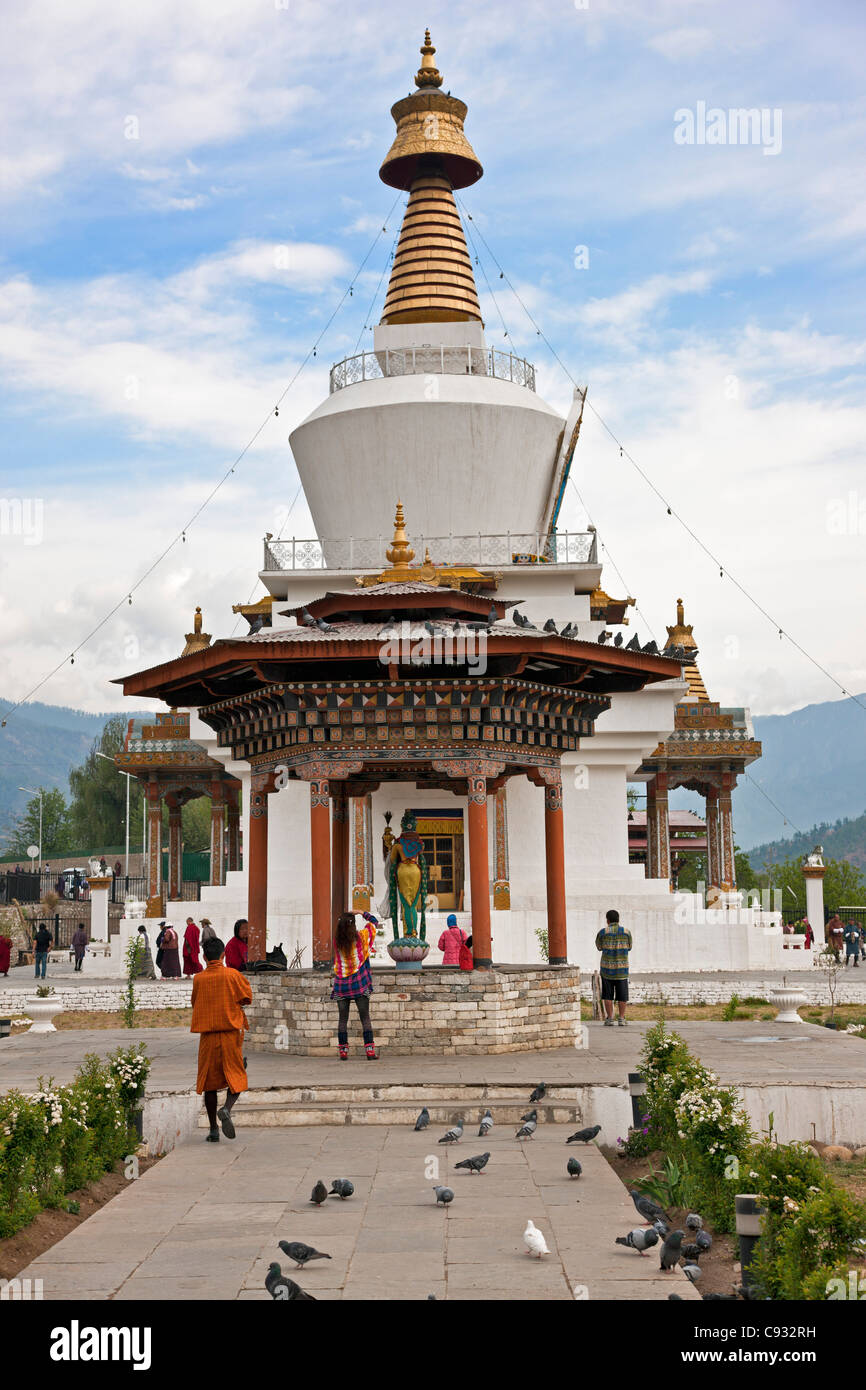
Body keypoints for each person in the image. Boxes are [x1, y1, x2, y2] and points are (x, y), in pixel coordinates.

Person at [190, 935, 252, 1142]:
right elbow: (247, 998)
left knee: (210, 1084)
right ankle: (226, 1109)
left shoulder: (198, 978)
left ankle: (213, 1130)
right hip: (230, 1035)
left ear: (205, 957)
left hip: (207, 1037)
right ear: (223, 955)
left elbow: (195, 1002)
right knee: (237, 1076)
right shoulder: (233, 975)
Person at [331, 910, 378, 1060]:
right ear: (353, 925)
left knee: (342, 1019)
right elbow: (374, 923)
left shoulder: (336, 941)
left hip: (341, 984)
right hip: (359, 983)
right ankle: (370, 1051)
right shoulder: (361, 937)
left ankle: (343, 1051)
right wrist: (361, 912)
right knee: (365, 1017)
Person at [595, 907, 632, 1027]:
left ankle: (610, 1018)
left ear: (607, 920)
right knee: (622, 995)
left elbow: (599, 947)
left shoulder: (602, 932)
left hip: (607, 969)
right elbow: (629, 947)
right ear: (618, 919)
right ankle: (621, 1018)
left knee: (607, 994)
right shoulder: (626, 932)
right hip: (622, 970)